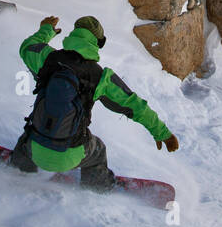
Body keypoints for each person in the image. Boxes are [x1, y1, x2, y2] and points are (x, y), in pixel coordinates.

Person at [10, 14, 178, 191]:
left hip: (34, 150)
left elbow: (27, 47)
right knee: (98, 150)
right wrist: (162, 134)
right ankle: (97, 187)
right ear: (97, 43)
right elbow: (136, 106)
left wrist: (46, 30)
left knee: (29, 131)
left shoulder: (47, 59)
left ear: (74, 34)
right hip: (71, 155)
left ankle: (18, 168)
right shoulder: (101, 77)